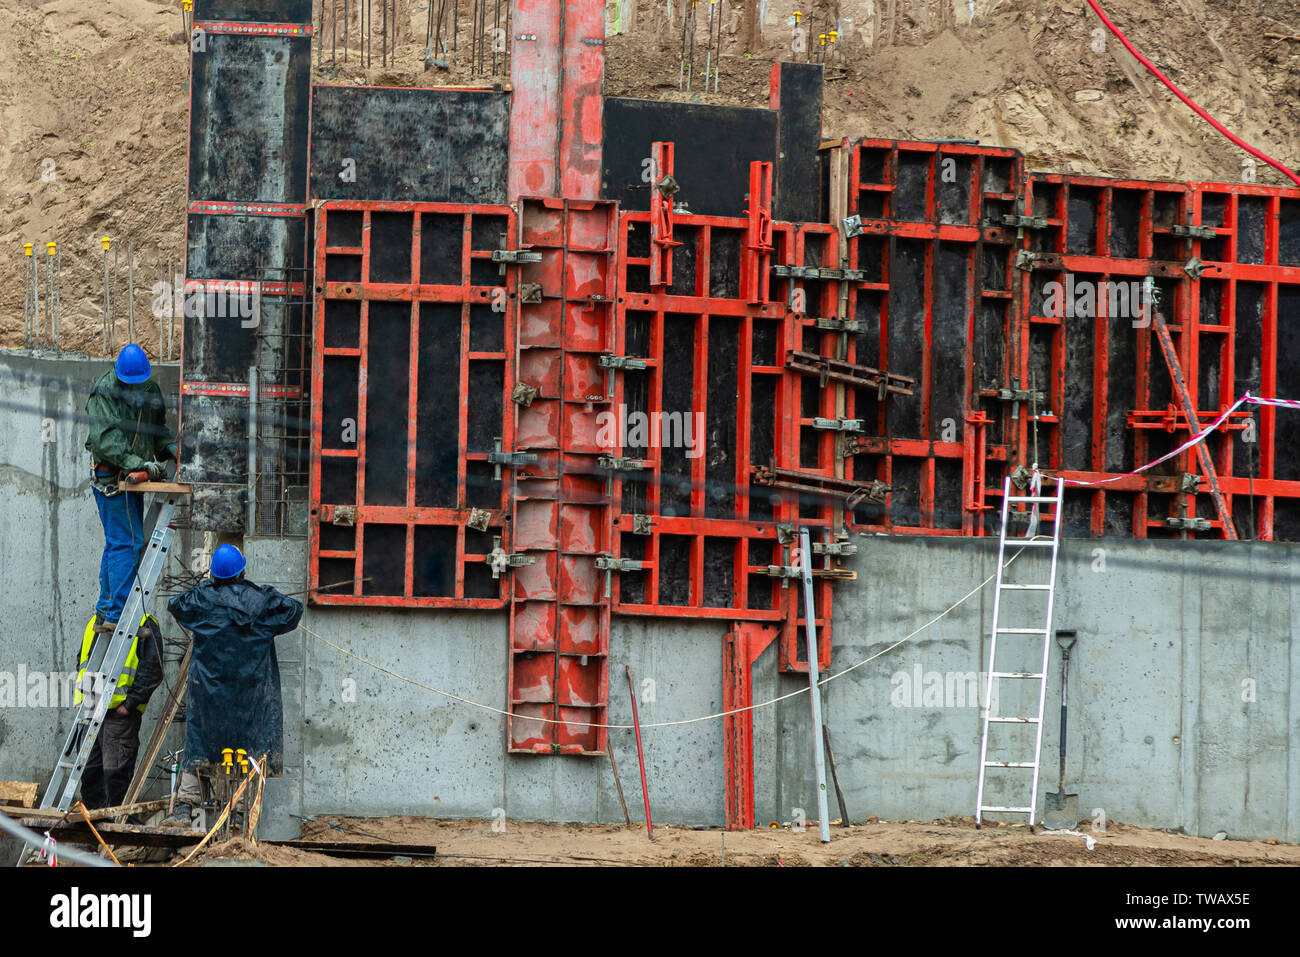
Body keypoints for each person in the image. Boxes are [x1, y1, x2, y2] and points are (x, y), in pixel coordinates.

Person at [162, 544, 303, 826]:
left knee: (199, 745)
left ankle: (182, 810)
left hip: (209, 695)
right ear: (242, 570)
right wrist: (264, 594)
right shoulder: (260, 603)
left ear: (213, 574)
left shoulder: (202, 601)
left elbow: (176, 604)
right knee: (249, 749)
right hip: (250, 696)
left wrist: (207, 589)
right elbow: (293, 611)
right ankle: (239, 813)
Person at [85, 344, 176, 634]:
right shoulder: (104, 391)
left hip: (132, 480)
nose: (135, 389)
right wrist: (139, 463)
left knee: (118, 543)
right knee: (129, 543)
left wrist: (171, 450)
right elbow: (106, 441)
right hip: (113, 479)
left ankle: (106, 611)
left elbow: (157, 431)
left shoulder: (149, 390)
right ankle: (119, 615)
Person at [75, 613, 164, 809]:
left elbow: (152, 668)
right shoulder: (95, 621)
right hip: (92, 710)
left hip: (119, 714)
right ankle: (93, 829)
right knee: (88, 771)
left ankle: (113, 828)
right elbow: (82, 660)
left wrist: (130, 704)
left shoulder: (144, 623)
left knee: (114, 773)